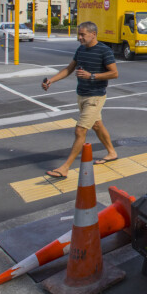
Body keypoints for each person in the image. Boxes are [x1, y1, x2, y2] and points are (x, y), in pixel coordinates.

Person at [40, 21, 120, 178]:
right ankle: (111, 152)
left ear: (93, 34)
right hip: (82, 94)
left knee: (80, 130)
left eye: (82, 34)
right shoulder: (81, 49)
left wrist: (91, 76)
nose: (79, 37)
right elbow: (69, 69)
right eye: (79, 34)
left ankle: (65, 168)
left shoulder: (104, 51)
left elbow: (114, 73)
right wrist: (51, 80)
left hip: (95, 96)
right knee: (97, 125)